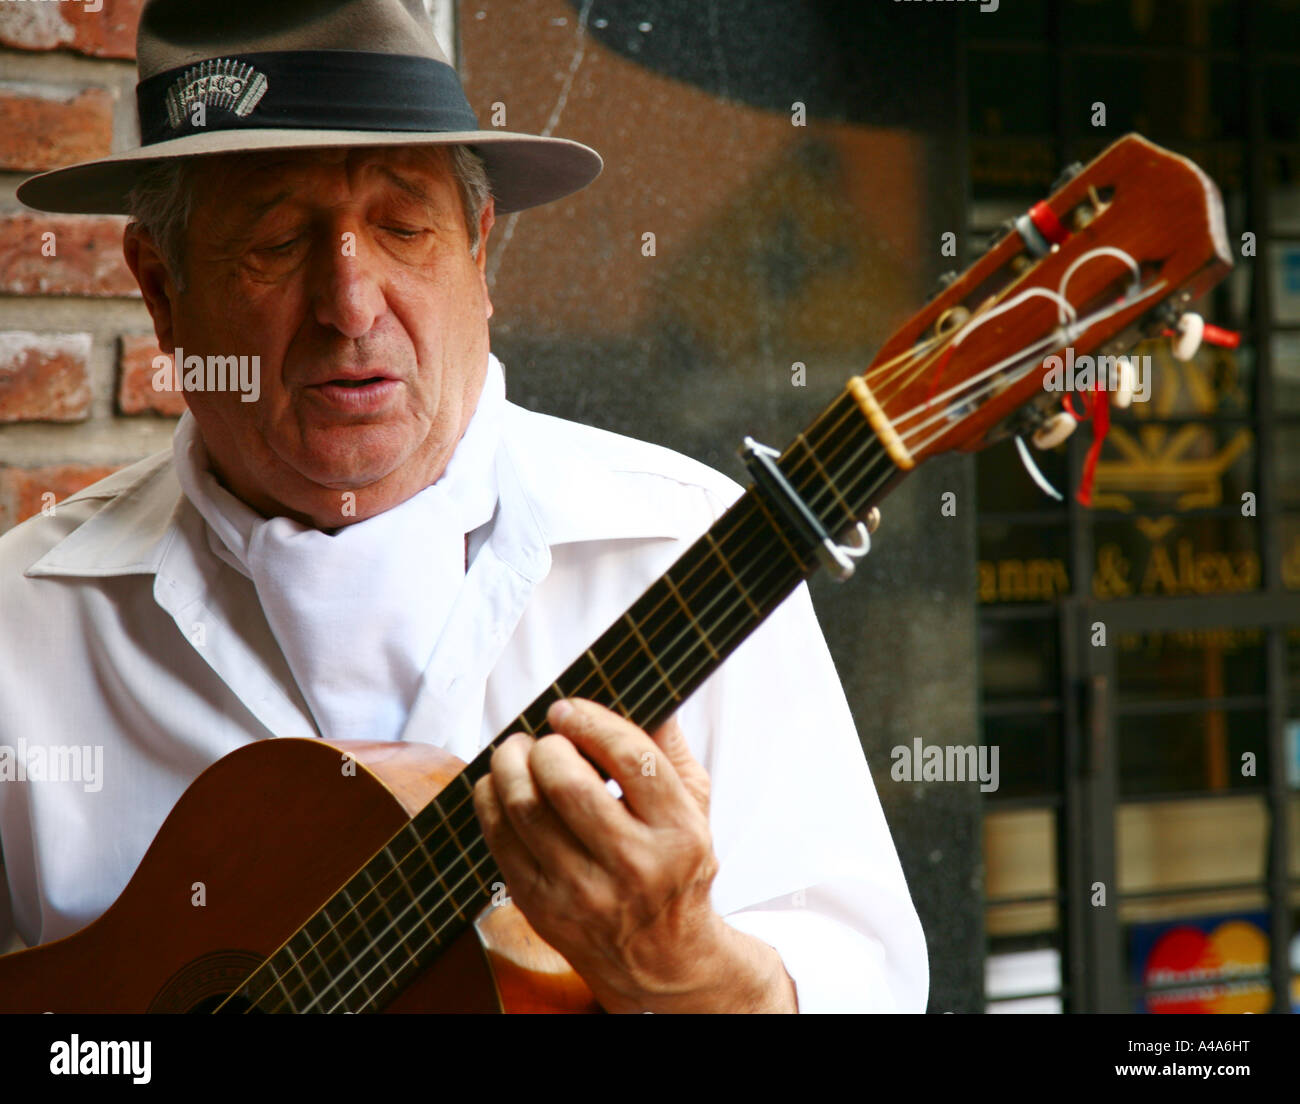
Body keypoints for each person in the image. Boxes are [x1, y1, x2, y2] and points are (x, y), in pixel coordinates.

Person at [0, 0, 928, 1013]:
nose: (350, 306)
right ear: (161, 289)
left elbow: (868, 979)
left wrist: (696, 970)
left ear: (481, 250)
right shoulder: (22, 625)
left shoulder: (682, 552)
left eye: (403, 227)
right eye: (273, 239)